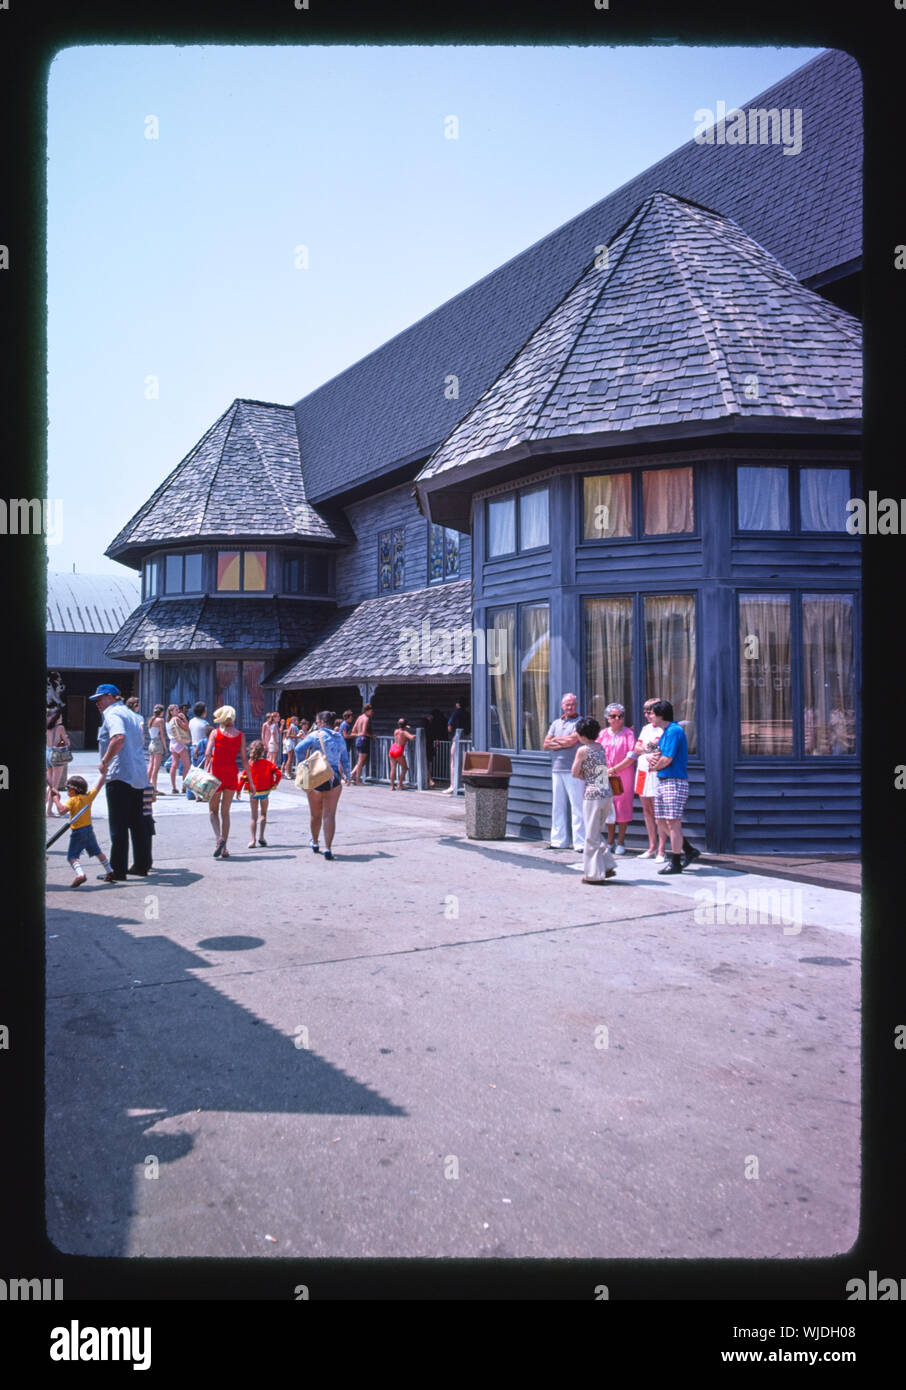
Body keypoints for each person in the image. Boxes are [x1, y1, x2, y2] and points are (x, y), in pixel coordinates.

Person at [91, 684, 152, 881]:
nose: (98, 703)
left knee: (118, 825)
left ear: (111, 697)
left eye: (100, 698)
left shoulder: (113, 714)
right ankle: (142, 864)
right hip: (137, 775)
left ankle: (118, 869)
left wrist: (104, 761)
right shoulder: (133, 715)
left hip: (119, 775)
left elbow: (118, 738)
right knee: (138, 823)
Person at [647, 698, 698, 875]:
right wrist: (652, 759)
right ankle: (689, 849)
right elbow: (656, 755)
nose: (649, 716)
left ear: (661, 715)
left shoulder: (674, 731)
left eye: (652, 713)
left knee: (673, 822)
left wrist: (654, 765)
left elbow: (666, 759)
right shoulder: (665, 732)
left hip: (674, 781)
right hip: (663, 780)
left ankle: (676, 861)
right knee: (660, 821)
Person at [295, 710, 351, 859]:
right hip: (333, 777)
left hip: (316, 775)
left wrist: (303, 763)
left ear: (321, 723)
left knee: (315, 814)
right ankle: (328, 848)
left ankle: (314, 842)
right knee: (330, 815)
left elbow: (298, 749)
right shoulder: (339, 737)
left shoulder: (314, 735)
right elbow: (344, 759)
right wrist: (348, 775)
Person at [570, 717, 617, 884]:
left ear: (582, 735)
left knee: (590, 835)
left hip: (592, 795)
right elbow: (601, 772)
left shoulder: (582, 750)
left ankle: (594, 874)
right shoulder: (600, 748)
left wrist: (585, 775)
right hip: (606, 793)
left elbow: (574, 772)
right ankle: (607, 865)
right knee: (596, 832)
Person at [50, 767, 114, 886]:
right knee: (97, 852)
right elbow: (98, 786)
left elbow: (62, 811)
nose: (67, 791)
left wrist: (56, 799)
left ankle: (80, 874)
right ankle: (110, 871)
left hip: (78, 832)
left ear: (74, 790)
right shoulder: (88, 797)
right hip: (89, 830)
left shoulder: (72, 800)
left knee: (72, 857)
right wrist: (104, 775)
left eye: (68, 788)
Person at [203, 705, 251, 859]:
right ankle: (225, 849)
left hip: (216, 775)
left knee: (212, 811)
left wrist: (206, 766)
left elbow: (207, 753)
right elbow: (244, 760)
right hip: (231, 775)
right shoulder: (240, 735)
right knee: (226, 812)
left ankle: (219, 838)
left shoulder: (214, 733)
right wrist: (251, 782)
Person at [542, 693, 585, 851]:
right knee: (558, 806)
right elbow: (546, 744)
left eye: (572, 704)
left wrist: (556, 741)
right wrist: (562, 741)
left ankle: (580, 843)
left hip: (574, 770)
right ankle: (558, 841)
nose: (570, 707)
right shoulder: (555, 723)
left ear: (576, 705)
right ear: (562, 706)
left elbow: (573, 740)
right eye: (567, 704)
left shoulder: (581, 722)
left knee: (577, 807)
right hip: (557, 769)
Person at [596, 703, 637, 855]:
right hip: (604, 774)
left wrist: (614, 769)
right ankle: (610, 841)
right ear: (607, 718)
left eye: (620, 716)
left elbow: (631, 755)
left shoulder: (628, 734)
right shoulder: (603, 734)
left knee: (622, 807)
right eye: (613, 716)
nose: (617, 719)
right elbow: (596, 752)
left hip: (623, 774)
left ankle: (621, 841)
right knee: (608, 808)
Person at [633, 698, 665, 859]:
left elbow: (656, 747)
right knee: (646, 810)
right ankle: (651, 846)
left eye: (650, 711)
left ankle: (661, 849)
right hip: (642, 771)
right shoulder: (645, 729)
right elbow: (636, 748)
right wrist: (646, 748)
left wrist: (645, 748)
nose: (647, 715)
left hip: (654, 771)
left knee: (658, 811)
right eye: (645, 711)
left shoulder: (664, 729)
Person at [238, 740, 282, 847]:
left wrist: (238, 790)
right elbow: (278, 773)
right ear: (263, 752)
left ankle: (252, 840)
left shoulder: (250, 764)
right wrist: (275, 783)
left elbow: (243, 778)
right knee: (263, 814)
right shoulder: (268, 763)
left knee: (253, 817)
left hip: (253, 793)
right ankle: (261, 837)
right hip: (265, 792)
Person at [46, 704, 71, 816]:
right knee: (55, 785)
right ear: (57, 717)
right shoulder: (60, 728)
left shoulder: (47, 727)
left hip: (47, 753)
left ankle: (44, 806)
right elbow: (67, 743)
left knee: (50, 784)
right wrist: (64, 740)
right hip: (57, 755)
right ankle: (49, 810)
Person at [443, 700, 470, 792]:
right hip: (467, 739)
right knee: (465, 762)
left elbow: (449, 728)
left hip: (457, 738)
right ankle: (465, 785)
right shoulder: (468, 714)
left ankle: (453, 785)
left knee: (453, 762)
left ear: (458, 704)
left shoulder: (456, 713)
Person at [166, 704, 192, 793]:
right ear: (171, 712)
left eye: (178, 709)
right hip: (179, 743)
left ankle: (173, 787)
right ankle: (184, 787)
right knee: (187, 765)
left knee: (174, 765)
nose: (178, 711)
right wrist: (184, 718)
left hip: (172, 743)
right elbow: (187, 727)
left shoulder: (168, 721)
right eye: (176, 710)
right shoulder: (176, 719)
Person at [388, 718, 416, 789]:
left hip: (392, 749)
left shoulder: (396, 731)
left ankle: (392, 786)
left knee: (393, 768)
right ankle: (400, 784)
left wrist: (405, 728)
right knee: (405, 768)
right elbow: (411, 737)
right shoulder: (404, 732)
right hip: (399, 750)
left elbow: (400, 735)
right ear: (405, 725)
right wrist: (417, 734)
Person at [147, 704, 168, 795]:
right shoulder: (160, 720)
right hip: (158, 743)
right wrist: (165, 748)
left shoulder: (151, 720)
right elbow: (162, 735)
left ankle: (147, 786)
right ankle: (154, 789)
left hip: (151, 743)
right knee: (156, 768)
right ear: (162, 712)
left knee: (151, 767)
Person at [349, 704, 373, 785]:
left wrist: (358, 734)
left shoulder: (359, 717)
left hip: (358, 740)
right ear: (367, 710)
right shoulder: (366, 718)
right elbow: (364, 732)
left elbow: (353, 730)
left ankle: (352, 774)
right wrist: (371, 736)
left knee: (362, 761)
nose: (372, 712)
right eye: (371, 711)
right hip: (363, 739)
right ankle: (358, 780)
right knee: (361, 761)